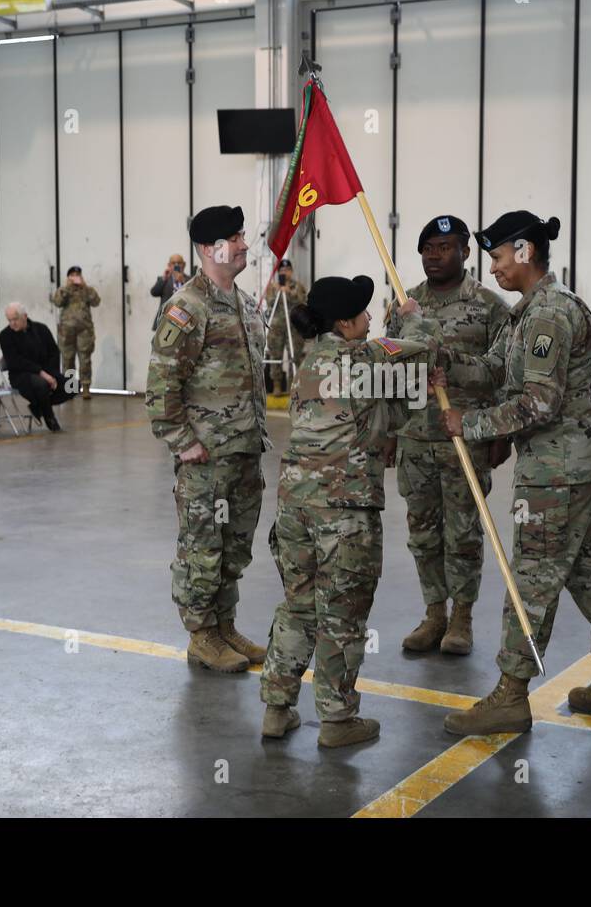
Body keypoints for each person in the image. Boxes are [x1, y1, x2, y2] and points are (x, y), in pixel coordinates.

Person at [436, 210, 591, 735]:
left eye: (499, 257)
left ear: (524, 252)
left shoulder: (548, 315)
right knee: (589, 571)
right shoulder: (531, 311)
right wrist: (445, 362)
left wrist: (470, 424)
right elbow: (495, 367)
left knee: (532, 580)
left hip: (559, 469)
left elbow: (539, 403)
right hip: (579, 464)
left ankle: (510, 695)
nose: (494, 268)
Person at [259, 276, 433, 748]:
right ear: (344, 322)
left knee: (298, 606)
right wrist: (411, 315)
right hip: (344, 512)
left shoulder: (309, 362)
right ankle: (337, 721)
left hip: (295, 507)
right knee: (341, 614)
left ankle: (277, 708)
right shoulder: (363, 359)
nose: (371, 319)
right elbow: (424, 347)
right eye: (364, 313)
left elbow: (376, 418)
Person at [146, 204, 269, 674]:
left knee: (235, 546)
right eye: (234, 237)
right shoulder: (186, 307)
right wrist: (182, 442)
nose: (242, 244)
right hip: (206, 456)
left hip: (243, 450)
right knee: (203, 546)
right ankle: (201, 635)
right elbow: (161, 386)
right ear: (208, 247)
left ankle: (224, 625)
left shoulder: (243, 303)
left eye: (241, 235)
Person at [387, 215, 511, 657]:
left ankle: (462, 617)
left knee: (464, 531)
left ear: (465, 251)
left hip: (466, 437)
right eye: (427, 248)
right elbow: (389, 370)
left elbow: (505, 371)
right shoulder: (405, 305)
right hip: (415, 437)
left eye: (444, 247)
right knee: (422, 531)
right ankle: (434, 612)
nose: (434, 256)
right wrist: (388, 431)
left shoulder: (489, 306)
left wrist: (501, 431)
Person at [0, 301, 71, 432]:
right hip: (21, 375)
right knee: (41, 384)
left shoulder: (41, 329)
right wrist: (43, 374)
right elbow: (16, 362)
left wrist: (52, 373)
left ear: (25, 316)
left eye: (15, 319)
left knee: (73, 386)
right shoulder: (5, 336)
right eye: (9, 320)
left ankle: (37, 407)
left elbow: (54, 352)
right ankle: (50, 418)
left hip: (46, 371)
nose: (12, 324)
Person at [51, 267, 101, 400]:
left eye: (77, 275)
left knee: (85, 359)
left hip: (84, 330)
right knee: (68, 360)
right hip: (67, 331)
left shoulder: (87, 290)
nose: (75, 277)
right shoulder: (63, 290)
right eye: (72, 275)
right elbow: (57, 302)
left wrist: (84, 286)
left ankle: (85, 388)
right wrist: (67, 288)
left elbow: (96, 301)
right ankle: (71, 389)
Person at [264, 258, 309, 394]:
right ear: (278, 272)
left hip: (294, 327)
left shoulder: (298, 286)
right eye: (282, 270)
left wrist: (288, 292)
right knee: (275, 355)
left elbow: (302, 301)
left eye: (287, 270)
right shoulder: (272, 287)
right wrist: (279, 291)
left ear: (292, 271)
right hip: (277, 327)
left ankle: (292, 386)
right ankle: (277, 385)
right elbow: (270, 302)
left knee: (294, 355)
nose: (285, 273)